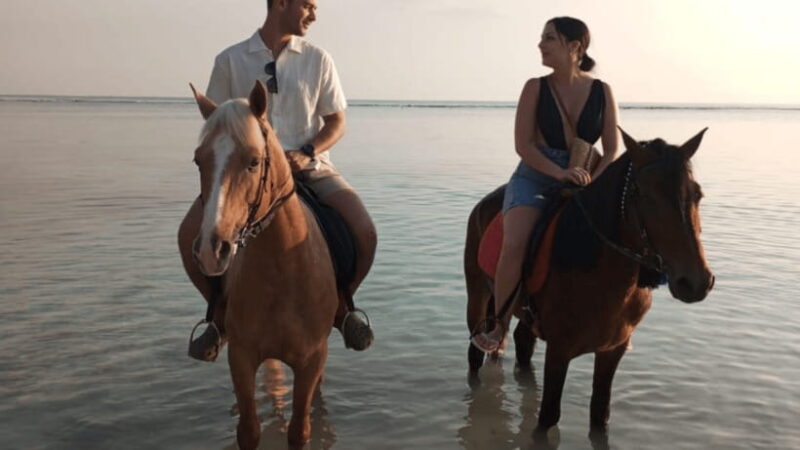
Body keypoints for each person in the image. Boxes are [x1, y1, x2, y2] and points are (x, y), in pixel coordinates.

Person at [180, 0, 376, 360]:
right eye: (309, 5)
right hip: (246, 173)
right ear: (282, 3)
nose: (314, 14)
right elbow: (216, 126)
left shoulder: (319, 59)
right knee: (187, 234)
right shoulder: (230, 60)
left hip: (309, 167)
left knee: (365, 231)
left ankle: (342, 306)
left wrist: (307, 151)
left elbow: (337, 123)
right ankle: (218, 315)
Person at [471, 17, 620, 353]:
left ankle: (618, 320)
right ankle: (499, 326)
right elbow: (523, 146)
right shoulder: (534, 87)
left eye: (549, 38)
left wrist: (593, 182)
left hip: (587, 175)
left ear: (574, 47)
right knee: (516, 241)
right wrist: (559, 173)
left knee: (627, 231)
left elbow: (611, 149)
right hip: (536, 174)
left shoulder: (602, 91)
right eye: (542, 38)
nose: (541, 44)